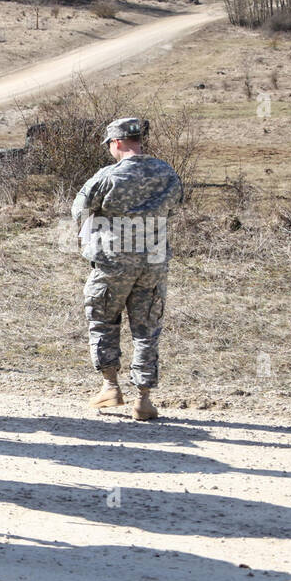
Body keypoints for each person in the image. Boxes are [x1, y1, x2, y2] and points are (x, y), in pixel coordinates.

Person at [72, 117, 183, 421]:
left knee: (103, 320)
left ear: (117, 143)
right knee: (147, 329)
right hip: (153, 263)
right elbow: (175, 205)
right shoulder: (166, 172)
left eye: (109, 144)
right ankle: (144, 400)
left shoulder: (108, 176)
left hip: (113, 263)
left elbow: (78, 209)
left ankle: (110, 386)